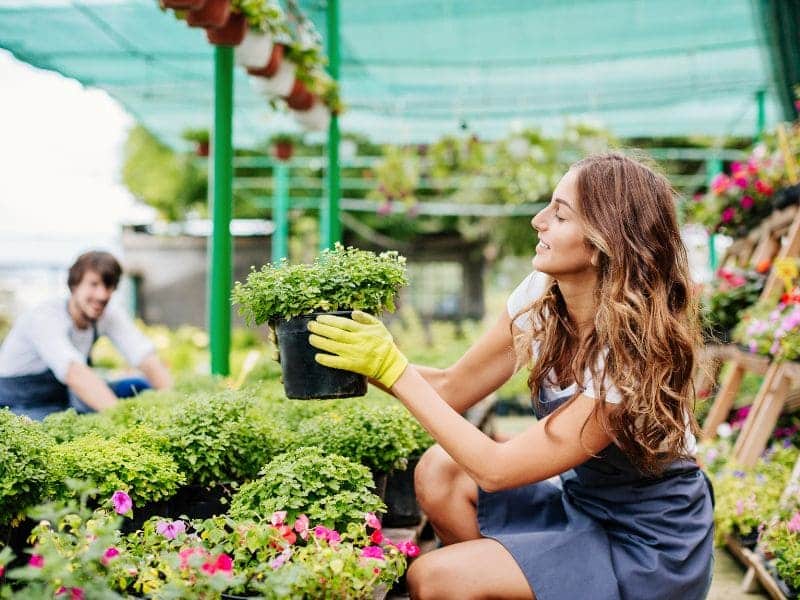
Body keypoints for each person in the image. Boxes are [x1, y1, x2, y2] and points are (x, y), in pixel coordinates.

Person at [306, 152, 714, 600]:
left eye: (559, 214)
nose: (538, 221)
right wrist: (348, 357)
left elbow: (497, 471)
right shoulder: (543, 296)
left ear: (601, 243)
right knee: (440, 472)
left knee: (436, 579)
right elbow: (450, 387)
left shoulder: (629, 358)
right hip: (582, 506)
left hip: (645, 547)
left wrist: (393, 366)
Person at [0, 250, 172, 420]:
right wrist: (123, 420)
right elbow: (73, 372)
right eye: (94, 284)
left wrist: (175, 404)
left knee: (139, 385)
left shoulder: (107, 314)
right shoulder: (45, 317)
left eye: (108, 286)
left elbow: (142, 354)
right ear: (74, 284)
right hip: (20, 398)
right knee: (53, 428)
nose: (102, 295)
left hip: (61, 395)